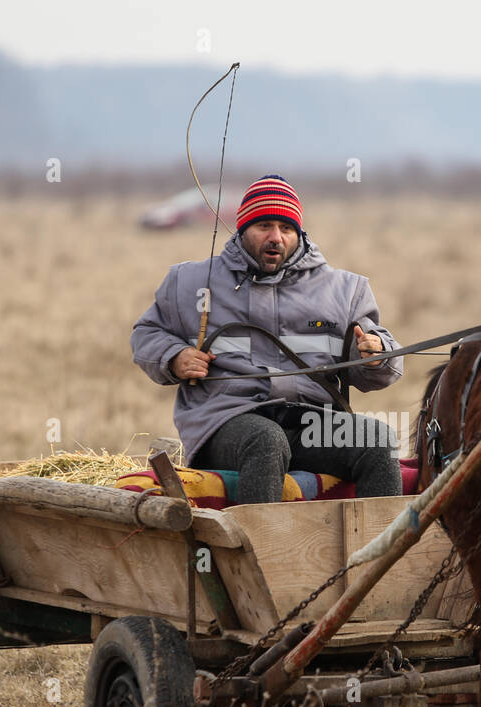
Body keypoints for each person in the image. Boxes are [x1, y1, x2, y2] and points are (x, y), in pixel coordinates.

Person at [131, 175, 405, 504]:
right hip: (225, 420)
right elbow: (147, 333)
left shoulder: (345, 291)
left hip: (309, 422)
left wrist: (377, 356)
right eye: (264, 226)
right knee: (267, 441)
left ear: (298, 233)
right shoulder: (188, 282)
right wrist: (174, 357)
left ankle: (378, 553)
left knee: (378, 441)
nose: (276, 237)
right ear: (242, 228)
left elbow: (379, 367)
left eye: (286, 228)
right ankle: (258, 552)